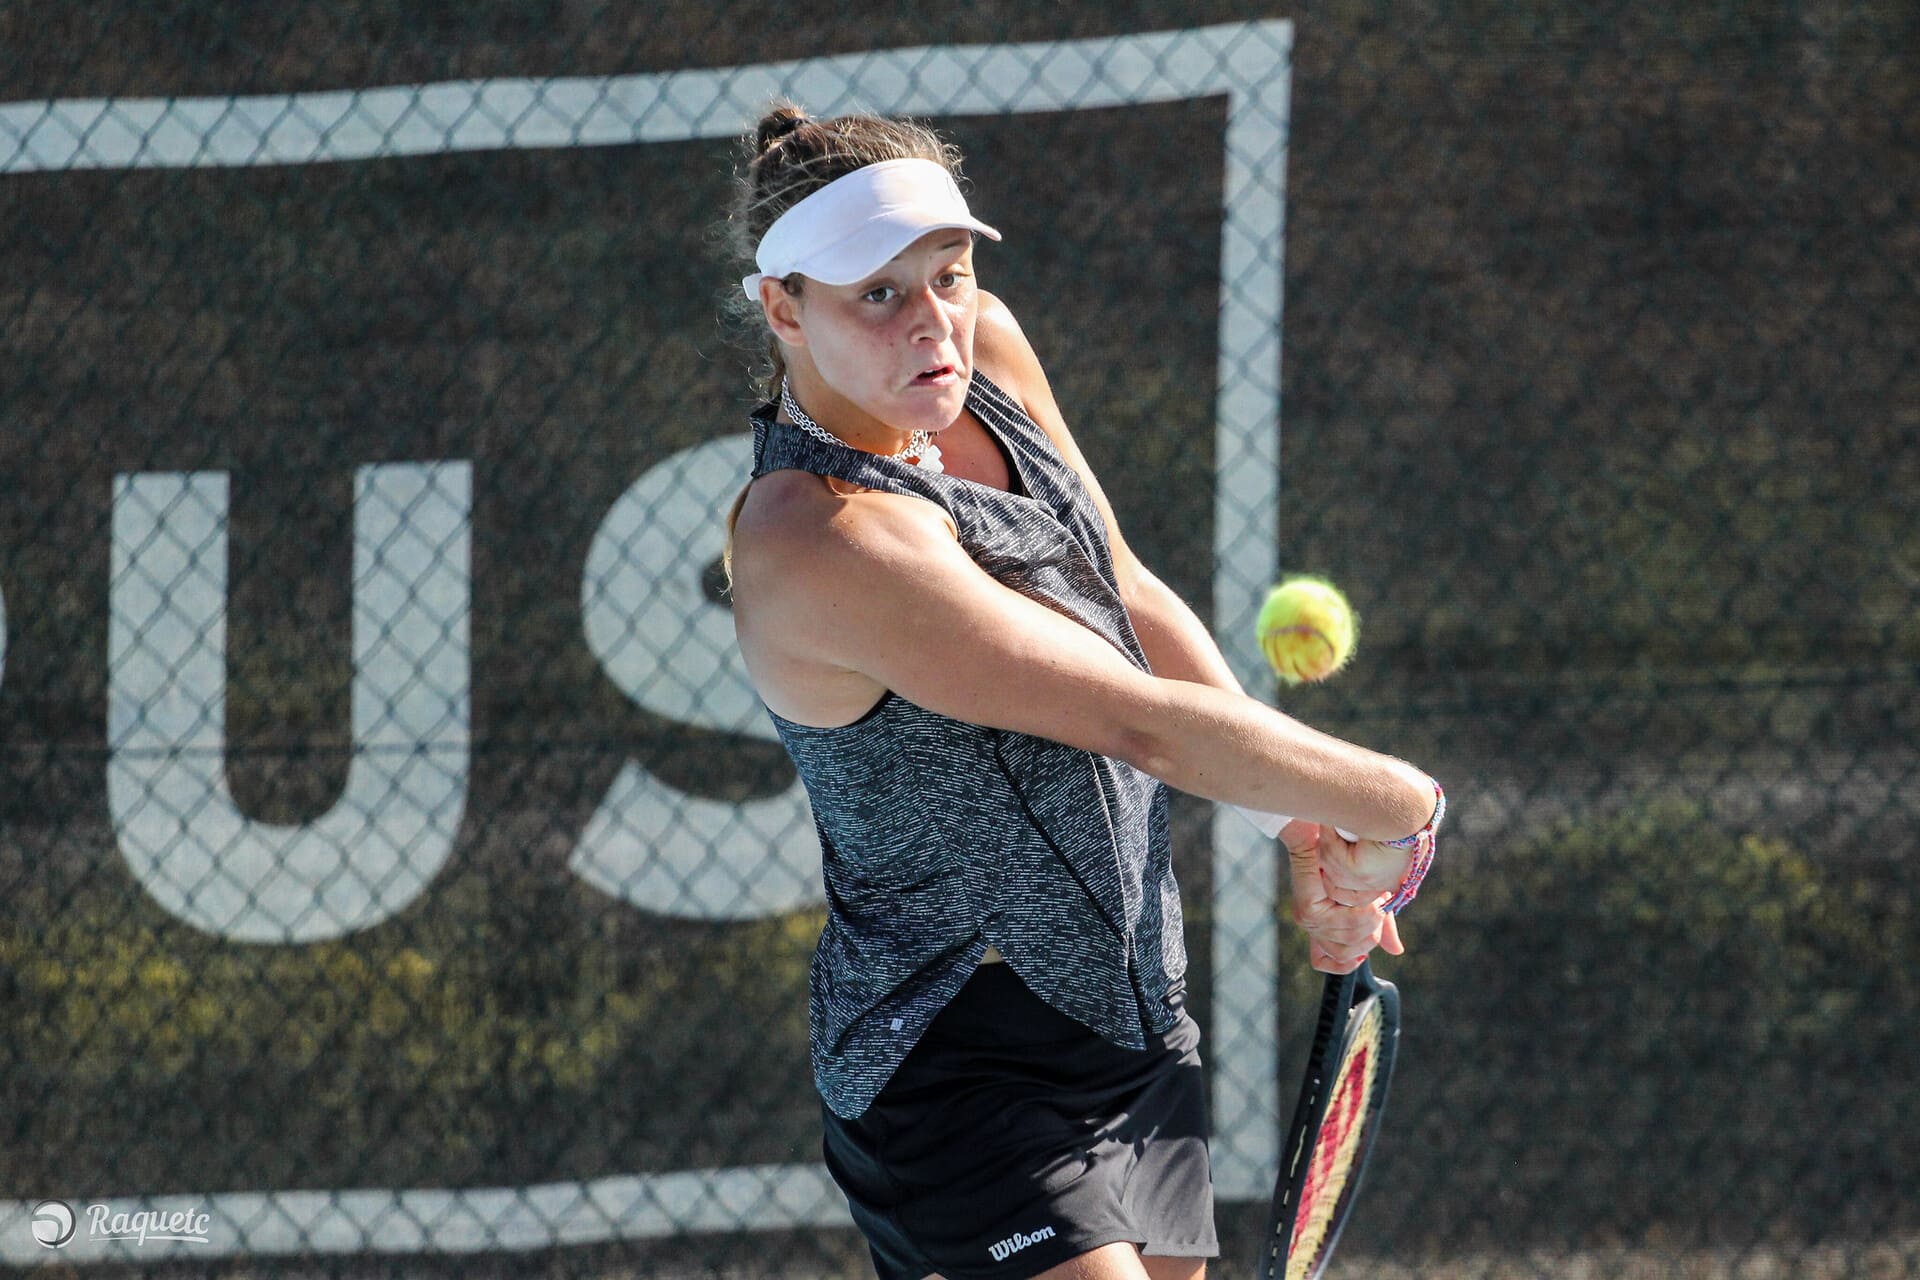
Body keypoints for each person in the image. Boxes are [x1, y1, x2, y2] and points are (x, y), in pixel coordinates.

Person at [720, 103, 1444, 1280]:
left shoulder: (987, 355)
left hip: (1135, 1016)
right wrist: (1401, 803)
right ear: (784, 308)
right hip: (952, 1063)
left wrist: (1300, 823)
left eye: (948, 275)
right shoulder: (817, 536)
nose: (932, 322)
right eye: (879, 295)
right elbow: (1132, 717)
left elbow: (1127, 593)